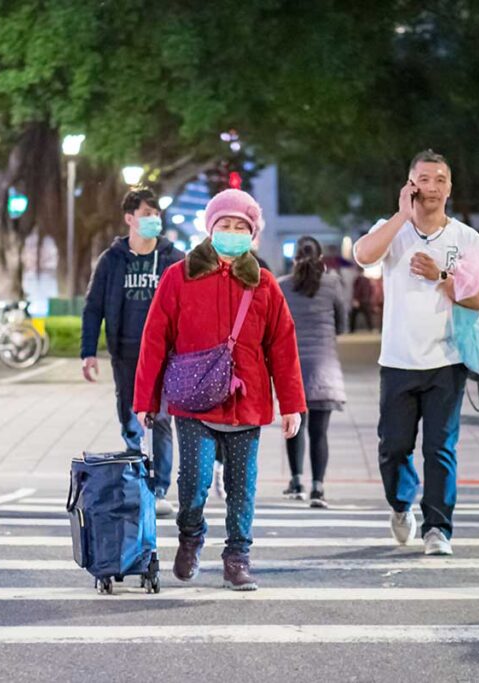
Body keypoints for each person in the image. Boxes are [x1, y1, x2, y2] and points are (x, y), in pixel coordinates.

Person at [134, 188, 306, 591]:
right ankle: (190, 536)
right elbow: (155, 338)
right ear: (211, 230)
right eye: (224, 225)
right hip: (194, 400)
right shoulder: (179, 276)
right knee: (193, 484)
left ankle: (237, 557)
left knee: (242, 487)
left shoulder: (264, 283)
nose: (232, 232)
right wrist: (145, 400)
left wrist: (292, 405)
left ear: (252, 234)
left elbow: (283, 346)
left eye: (240, 227)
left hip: (247, 403)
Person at [353, 150, 479, 557]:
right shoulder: (392, 229)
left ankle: (438, 528)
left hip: (447, 361)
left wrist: (442, 276)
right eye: (423, 179)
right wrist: (401, 215)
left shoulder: (466, 238)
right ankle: (400, 504)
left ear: (450, 188)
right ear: (410, 185)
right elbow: (363, 255)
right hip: (397, 360)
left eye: (440, 180)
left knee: (440, 448)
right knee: (393, 446)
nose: (432, 187)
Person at [81, 188, 184, 516]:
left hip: (167, 355)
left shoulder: (174, 258)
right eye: (146, 214)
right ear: (129, 218)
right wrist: (88, 352)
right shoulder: (111, 260)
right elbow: (93, 307)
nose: (154, 219)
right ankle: (139, 476)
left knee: (162, 418)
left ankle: (158, 488)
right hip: (126, 352)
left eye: (156, 214)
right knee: (130, 418)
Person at [278, 236, 347, 507]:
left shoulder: (283, 286)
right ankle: (318, 488)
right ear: (321, 259)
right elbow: (342, 324)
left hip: (293, 369)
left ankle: (296, 482)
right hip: (324, 369)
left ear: (293, 258)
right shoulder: (333, 284)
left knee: (294, 426)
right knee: (320, 432)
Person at [350, 266, 376, 332]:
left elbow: (356, 290)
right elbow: (370, 290)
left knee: (355, 316)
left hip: (361, 300)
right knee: (367, 316)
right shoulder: (365, 280)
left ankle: (351, 330)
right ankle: (370, 329)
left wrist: (355, 299)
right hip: (365, 300)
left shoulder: (358, 279)